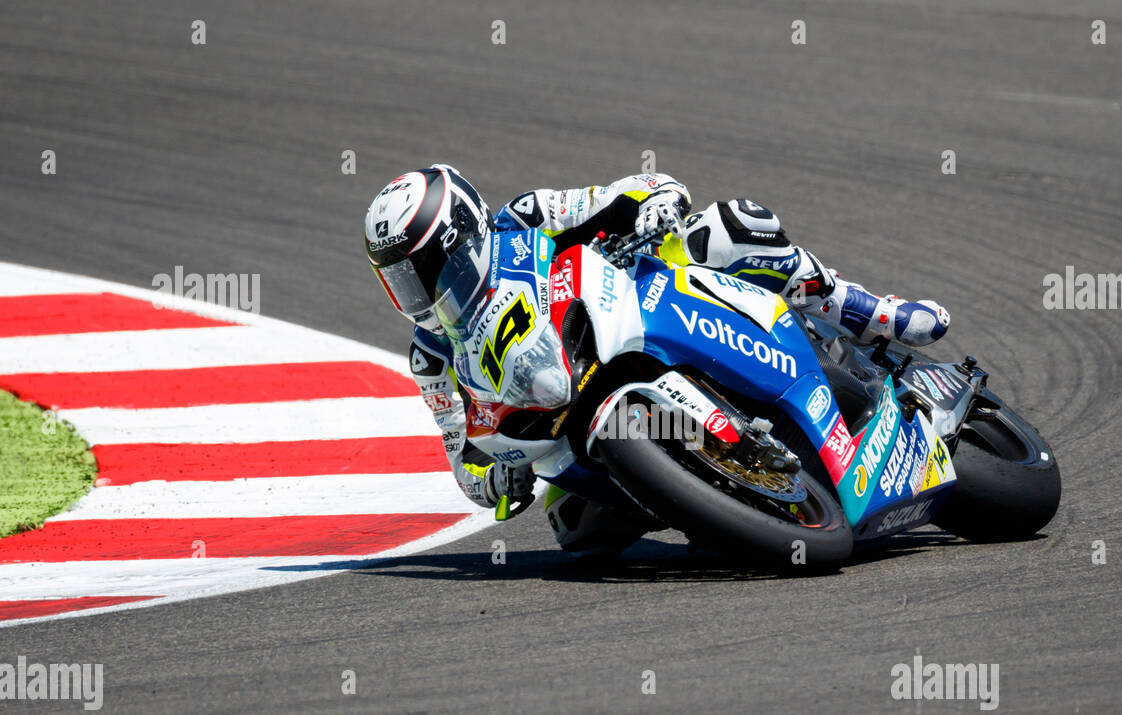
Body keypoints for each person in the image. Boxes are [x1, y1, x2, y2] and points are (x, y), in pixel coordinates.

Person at [363, 164, 950, 549]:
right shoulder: (431, 357)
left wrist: (652, 205)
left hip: (629, 313)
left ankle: (863, 310)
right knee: (575, 534)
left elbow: (626, 192)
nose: (421, 294)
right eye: (404, 283)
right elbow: (461, 460)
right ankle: (718, 496)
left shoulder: (525, 217)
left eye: (427, 272)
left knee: (729, 227)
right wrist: (497, 478)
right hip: (568, 434)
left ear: (463, 233)